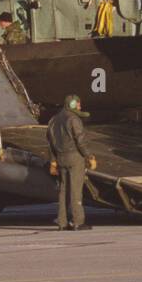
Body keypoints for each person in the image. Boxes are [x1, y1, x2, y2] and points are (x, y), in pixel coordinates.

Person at [47, 94, 95, 230]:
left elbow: (50, 143)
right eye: (78, 104)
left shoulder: (53, 120)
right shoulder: (74, 119)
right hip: (75, 158)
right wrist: (89, 156)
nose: (80, 106)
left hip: (61, 158)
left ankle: (62, 222)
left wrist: (53, 161)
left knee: (63, 190)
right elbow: (80, 140)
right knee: (75, 190)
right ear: (72, 104)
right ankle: (78, 221)